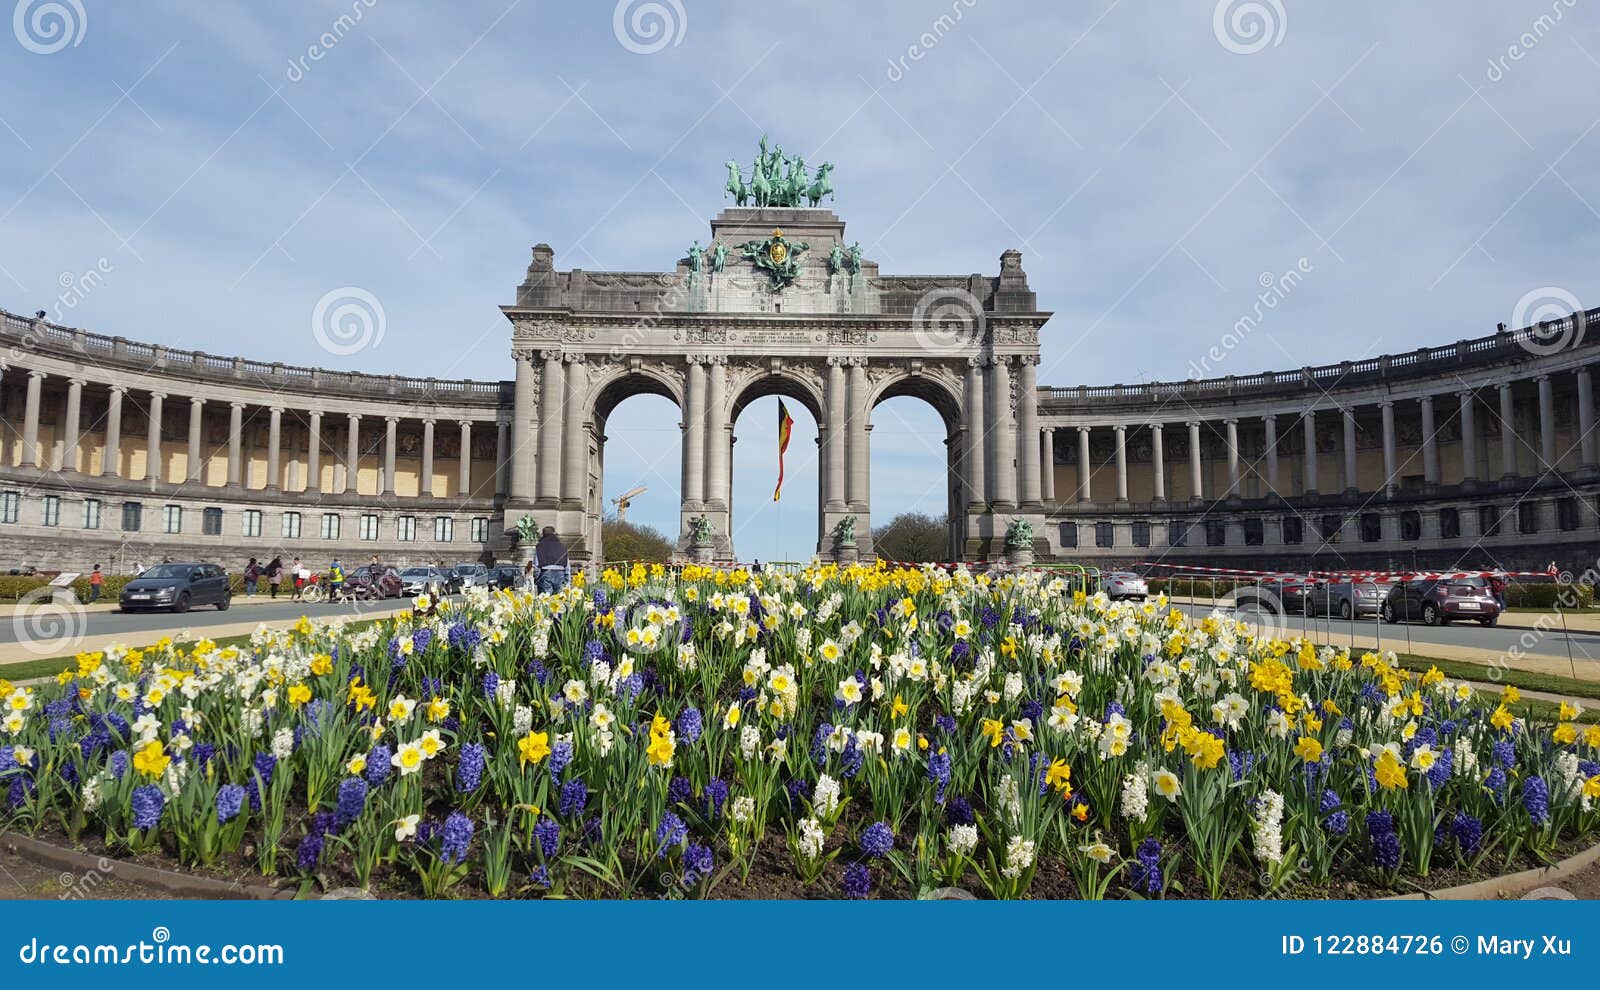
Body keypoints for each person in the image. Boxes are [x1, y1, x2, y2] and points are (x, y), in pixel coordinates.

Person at [534, 526, 569, 595]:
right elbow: (567, 564)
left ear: (543, 534)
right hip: (560, 572)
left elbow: (536, 563)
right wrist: (567, 579)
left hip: (546, 572)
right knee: (558, 599)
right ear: (554, 533)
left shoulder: (540, 545)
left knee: (546, 599)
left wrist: (536, 577)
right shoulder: (562, 545)